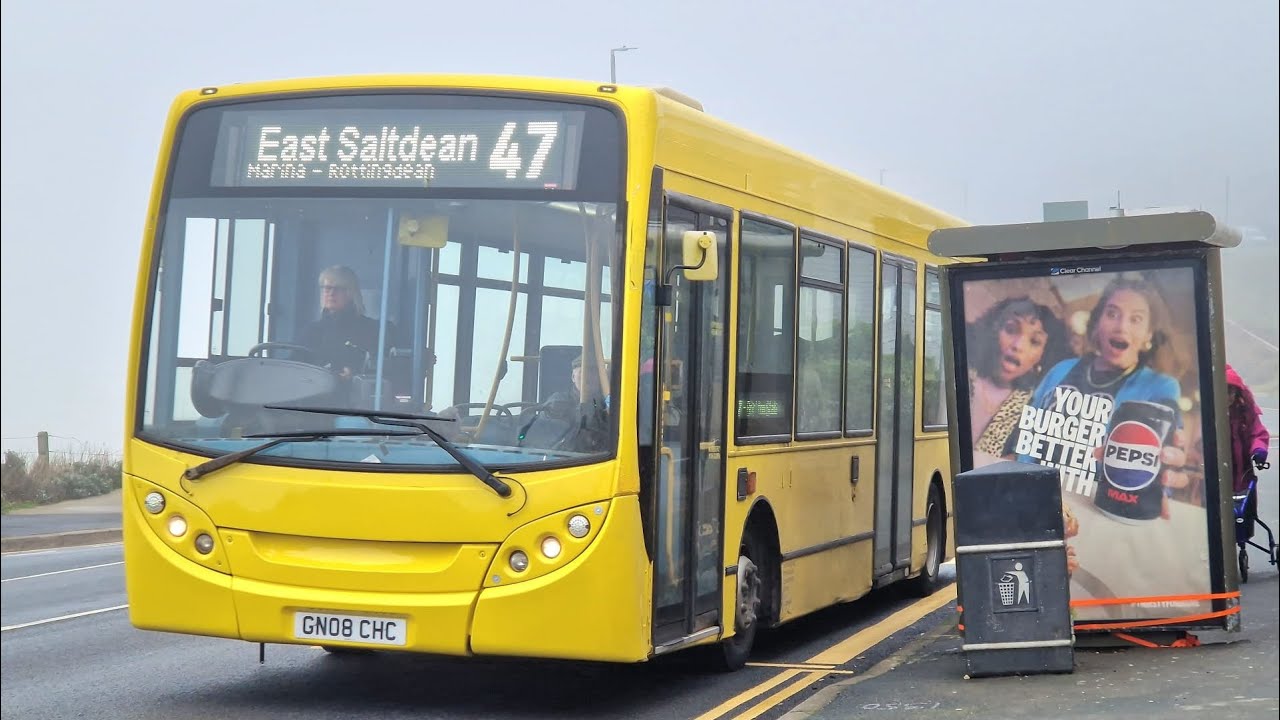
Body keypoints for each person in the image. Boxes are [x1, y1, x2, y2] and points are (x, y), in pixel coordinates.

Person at [1023, 275, 1189, 513]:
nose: (1121, 326)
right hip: (1035, 498)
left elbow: (1168, 451)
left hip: (1102, 509)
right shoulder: (1061, 370)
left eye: (1136, 319)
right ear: (1097, 322)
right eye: (1112, 314)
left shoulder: (1161, 387)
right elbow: (1026, 437)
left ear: (1148, 335)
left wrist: (1169, 469)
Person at [966, 297, 1071, 466]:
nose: (1018, 345)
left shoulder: (1034, 409)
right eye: (1011, 329)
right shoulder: (963, 371)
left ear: (1042, 358)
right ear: (994, 330)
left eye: (1034, 341)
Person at [296, 265, 397, 380]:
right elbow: (294, 371)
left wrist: (356, 374)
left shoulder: (375, 331)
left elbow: (385, 372)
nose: (331, 293)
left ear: (351, 293)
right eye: (327, 288)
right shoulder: (311, 332)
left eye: (338, 288)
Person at [1226, 363, 1270, 494]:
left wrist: (1259, 450)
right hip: (1216, 475)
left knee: (1247, 509)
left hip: (1243, 476)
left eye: (1231, 391)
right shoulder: (1205, 413)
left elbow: (1257, 432)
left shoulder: (1244, 412)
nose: (1228, 396)